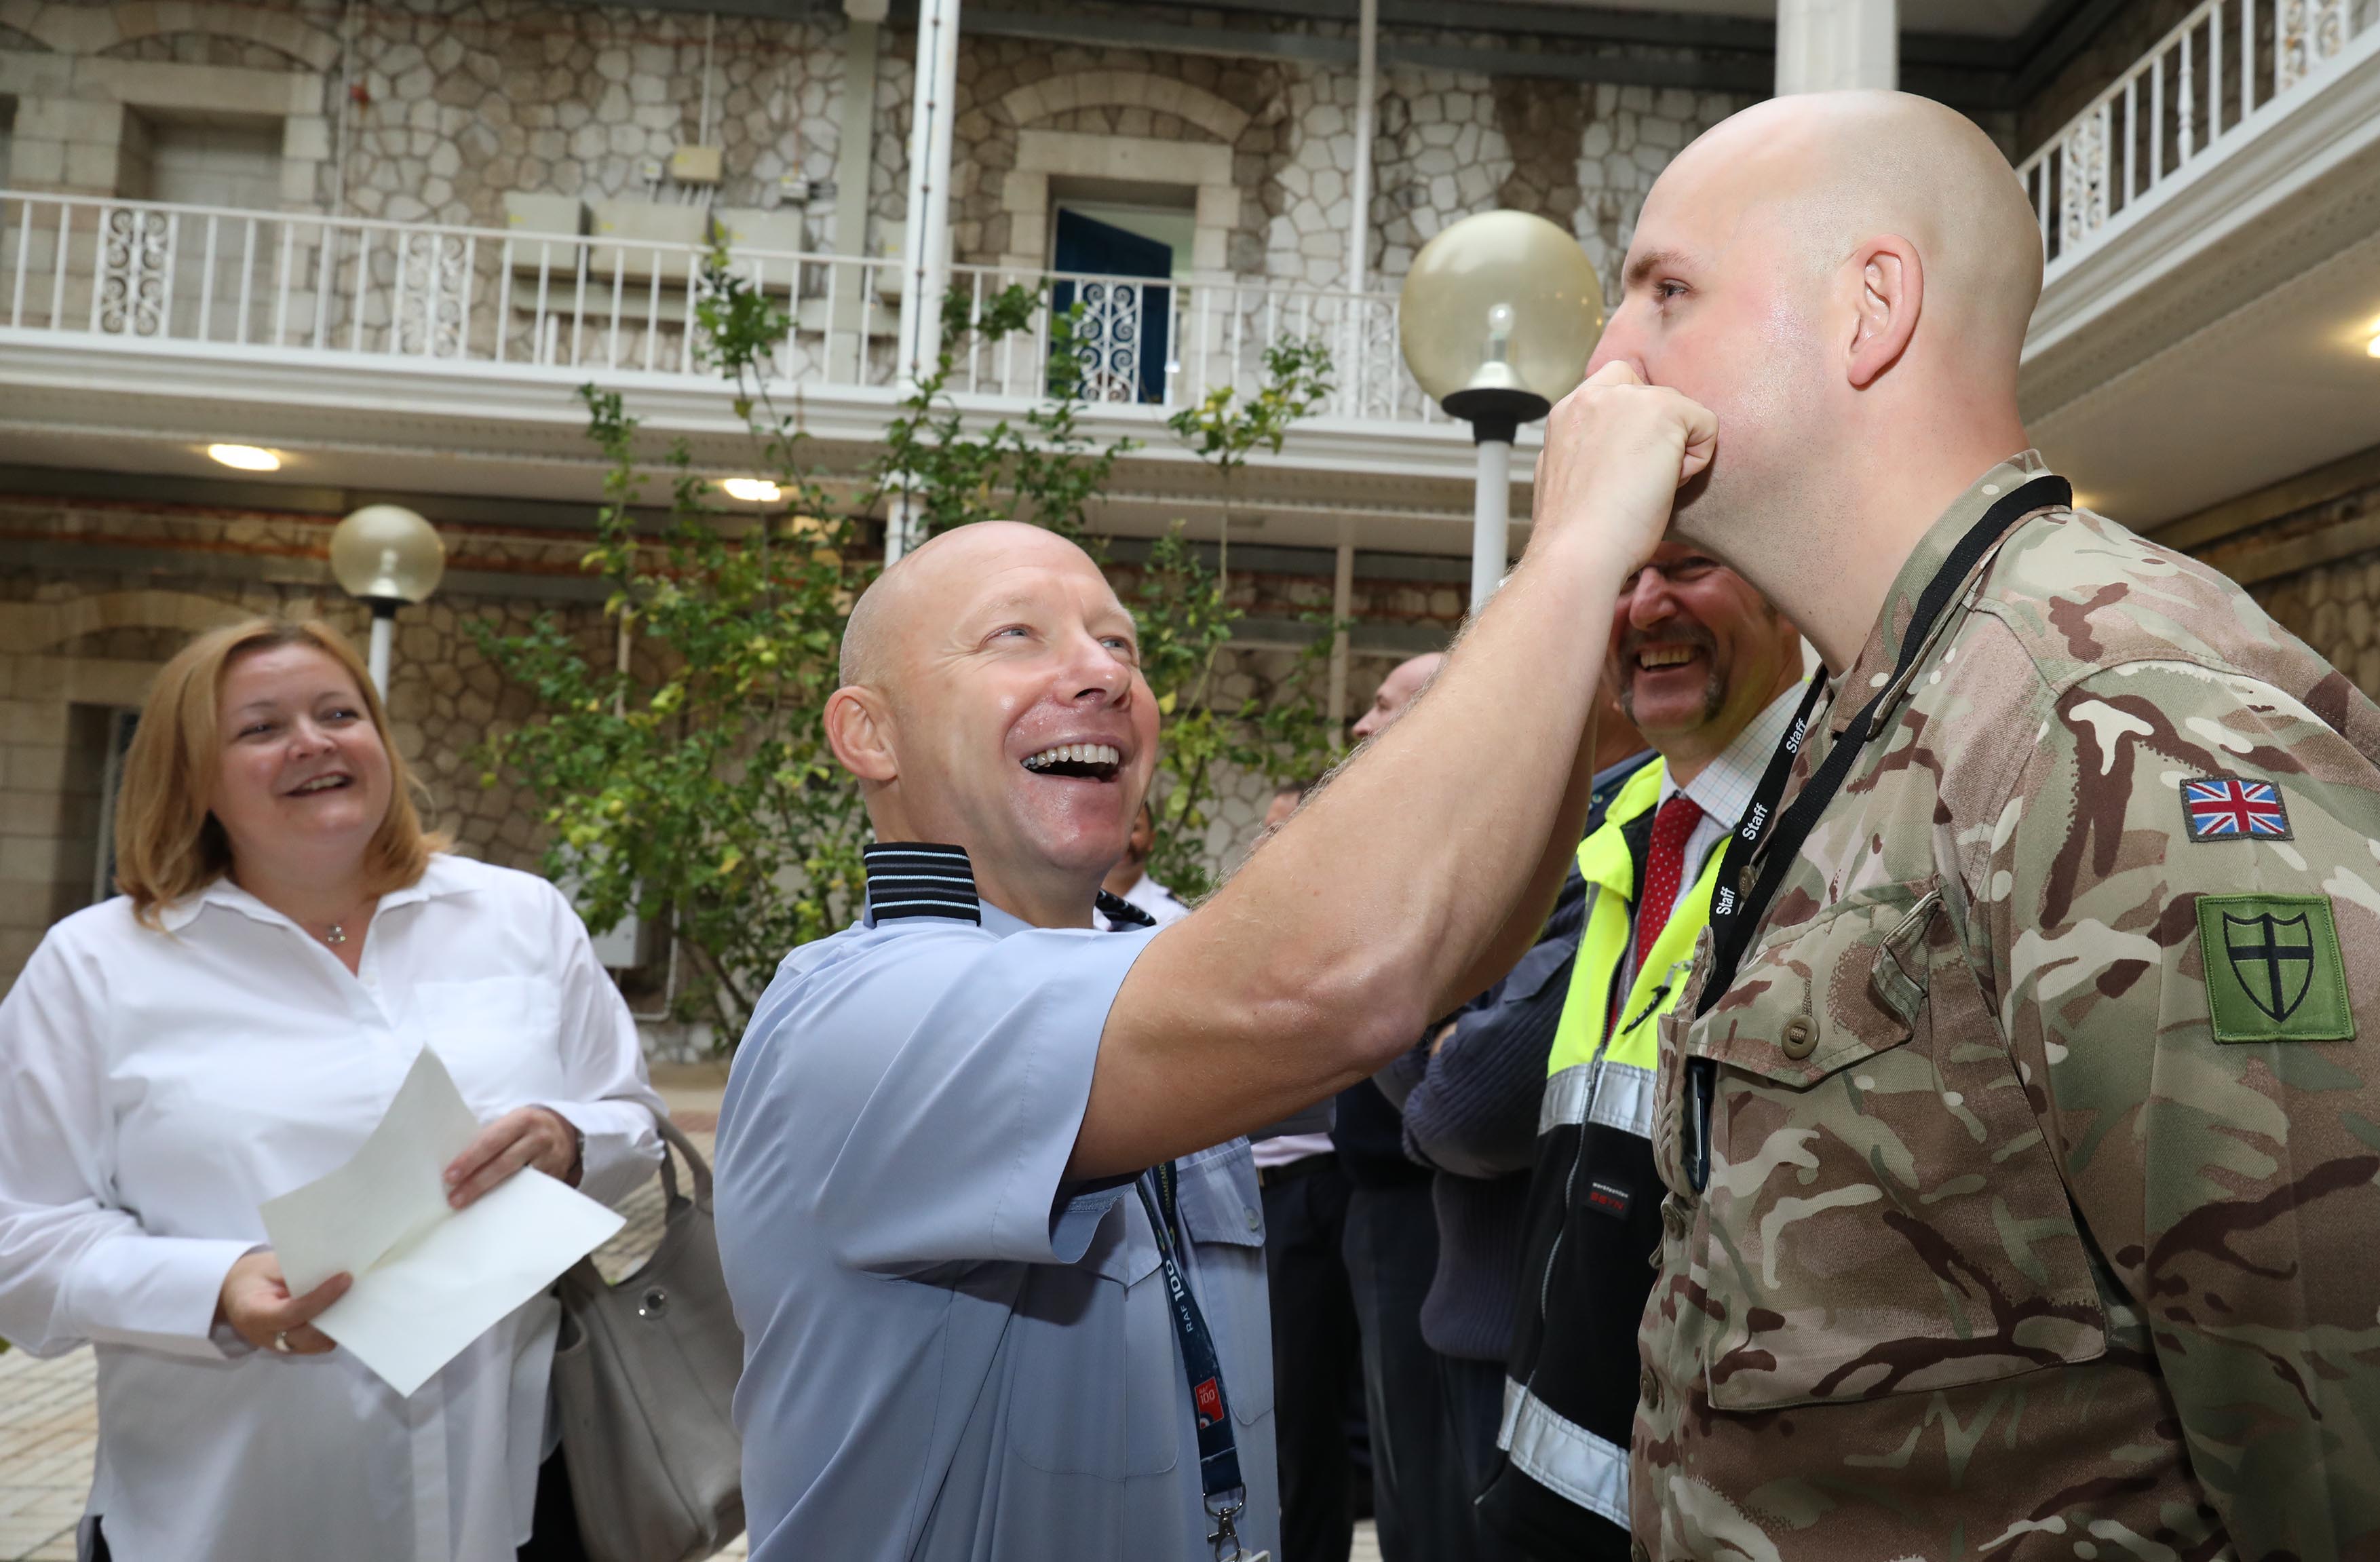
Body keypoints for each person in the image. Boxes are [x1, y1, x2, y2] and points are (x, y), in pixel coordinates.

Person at [714, 358, 1709, 1562]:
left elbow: (1441, 946)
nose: (1103, 674)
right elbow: (1340, 981)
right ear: (865, 732)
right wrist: (1569, 549)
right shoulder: (864, 1013)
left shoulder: (1144, 955)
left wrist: (1585, 660)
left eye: (1118, 644)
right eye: (1014, 636)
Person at [1594, 91, 2380, 1559]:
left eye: (1664, 292)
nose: (1606, 362)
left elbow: (2334, 1421)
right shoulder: (1891, 695)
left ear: (1866, 306)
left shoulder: (2111, 710)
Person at [0, 618, 665, 1562]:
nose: (312, 742)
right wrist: (217, 1288)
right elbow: (20, 1237)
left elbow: (632, 1122)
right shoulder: (98, 966)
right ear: (193, 777)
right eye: (261, 728)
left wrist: (567, 1137)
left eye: (338, 713)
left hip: (512, 1497)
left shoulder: (519, 916)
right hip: (227, 1516)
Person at [1466, 545, 1802, 1561]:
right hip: (1547, 1497)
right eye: (1621, 576)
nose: (1648, 604)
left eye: (1691, 565)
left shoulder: (1846, 820)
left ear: (1787, 588)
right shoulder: (1624, 829)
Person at [1373, 678, 1651, 1562]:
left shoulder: (1636, 835)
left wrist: (1430, 1047)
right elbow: (1382, 1009)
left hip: (1559, 1341)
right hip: (1481, 1321)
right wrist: (1434, 1033)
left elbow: (1475, 1106)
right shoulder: (1530, 843)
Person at [1244, 780, 1366, 1562]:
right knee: (1272, 1406)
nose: (1264, 845)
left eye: (1283, 829)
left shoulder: (1353, 941)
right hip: (1252, 1199)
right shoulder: (1242, 937)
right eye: (1264, 828)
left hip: (1315, 1189)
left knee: (1304, 1410)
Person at [1102, 801, 1191, 928]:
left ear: (1152, 839)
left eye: (1133, 828)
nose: (1121, 839)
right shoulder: (1073, 907)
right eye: (1111, 827)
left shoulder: (1175, 916)